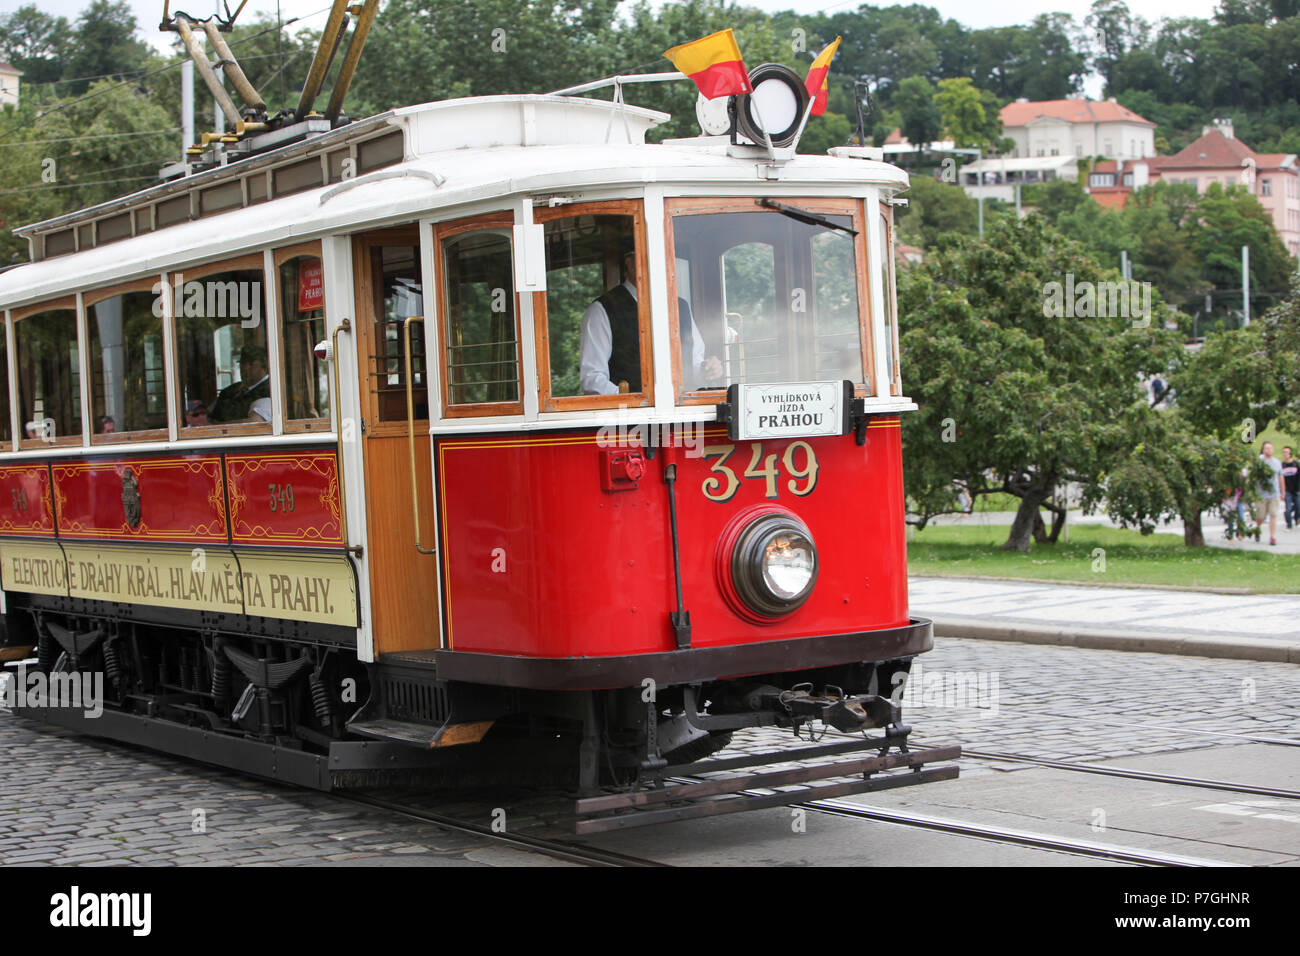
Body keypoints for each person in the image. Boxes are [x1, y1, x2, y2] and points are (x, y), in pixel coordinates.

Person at [579, 248, 722, 395]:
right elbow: (592, 379)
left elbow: (693, 364)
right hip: (630, 416)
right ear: (631, 264)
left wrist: (706, 370)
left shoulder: (681, 306)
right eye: (652, 257)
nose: (661, 265)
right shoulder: (602, 310)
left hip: (681, 412)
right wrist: (632, 401)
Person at [209, 346, 271, 423]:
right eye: (242, 363)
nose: (245, 368)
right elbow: (213, 420)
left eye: (251, 364)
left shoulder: (271, 391)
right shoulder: (228, 392)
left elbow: (255, 424)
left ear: (264, 365)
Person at [1255, 440, 1284, 546]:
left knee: (1273, 515)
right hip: (1261, 494)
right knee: (1260, 516)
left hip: (1274, 494)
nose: (1269, 450)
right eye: (1267, 448)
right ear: (1263, 450)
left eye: (1271, 448)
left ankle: (1272, 537)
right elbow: (1253, 477)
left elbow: (1280, 477)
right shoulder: (1259, 462)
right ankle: (1257, 529)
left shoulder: (1277, 462)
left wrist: (1282, 492)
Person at [1281, 445, 1299, 531]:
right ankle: (1289, 525)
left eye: (1286, 452)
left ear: (1290, 454)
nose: (1285, 454)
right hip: (1287, 490)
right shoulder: (1282, 465)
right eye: (1283, 452)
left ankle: (1297, 519)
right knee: (1288, 508)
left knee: (1298, 506)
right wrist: (1282, 491)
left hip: (1296, 489)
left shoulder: (1296, 464)